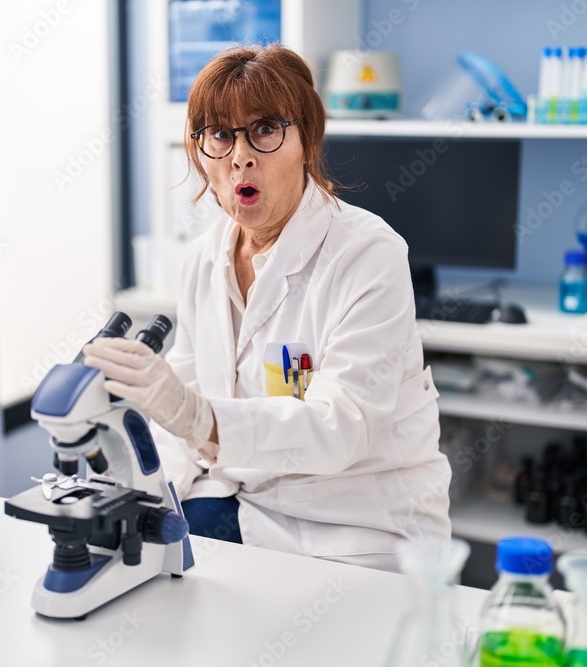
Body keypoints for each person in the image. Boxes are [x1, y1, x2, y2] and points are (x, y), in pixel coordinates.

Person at [83, 44, 451, 572]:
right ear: (200, 156)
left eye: (265, 129)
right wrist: (131, 484)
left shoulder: (369, 255)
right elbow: (181, 409)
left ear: (307, 141)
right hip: (241, 498)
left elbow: (338, 427)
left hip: (357, 523)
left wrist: (198, 417)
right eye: (219, 135)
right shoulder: (202, 259)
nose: (240, 156)